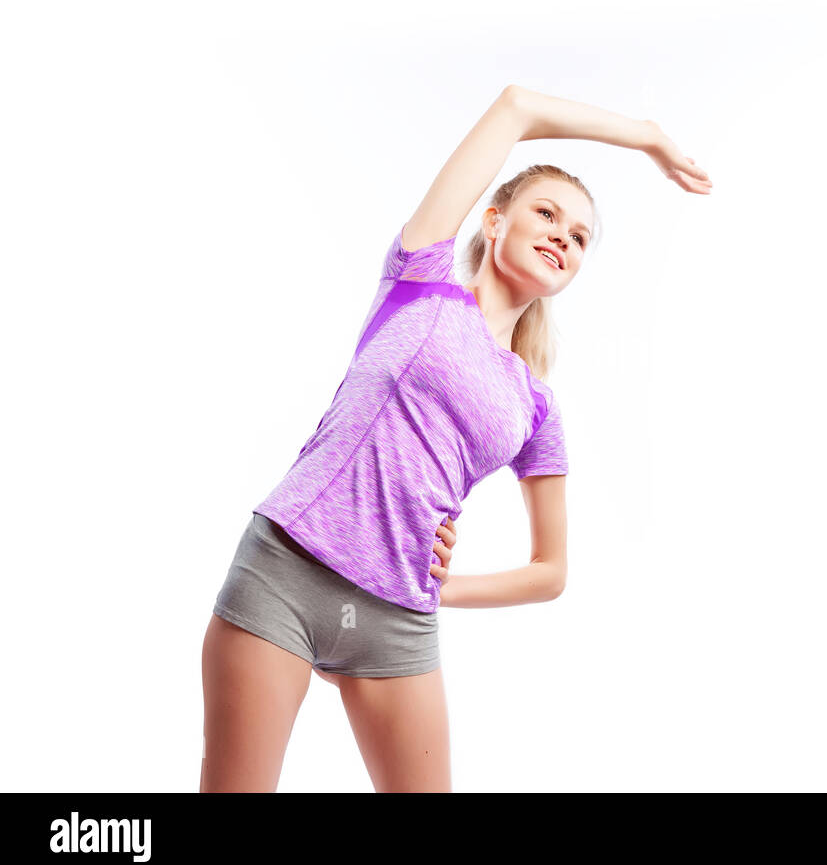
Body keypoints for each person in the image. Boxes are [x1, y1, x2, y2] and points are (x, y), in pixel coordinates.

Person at [199, 84, 712, 792]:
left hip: (396, 621)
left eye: (581, 236)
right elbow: (516, 107)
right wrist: (648, 136)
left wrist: (447, 586)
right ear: (494, 222)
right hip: (284, 570)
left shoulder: (536, 405)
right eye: (548, 213)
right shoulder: (419, 277)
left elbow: (550, 571)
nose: (565, 234)